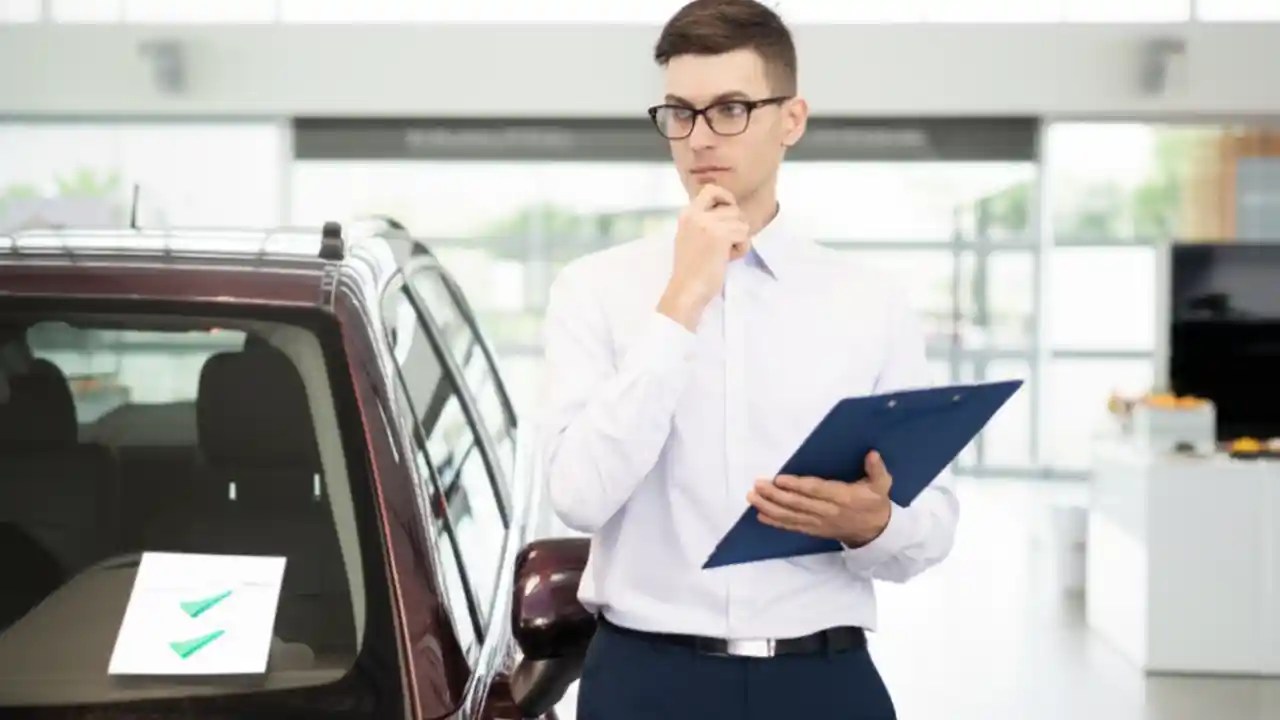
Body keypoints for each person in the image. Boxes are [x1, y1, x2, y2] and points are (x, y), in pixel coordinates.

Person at [535, 1, 959, 717]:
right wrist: (682, 302)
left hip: (823, 679)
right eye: (680, 112)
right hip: (646, 679)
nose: (700, 137)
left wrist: (871, 523)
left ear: (791, 119)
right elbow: (578, 495)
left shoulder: (868, 301)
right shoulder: (596, 289)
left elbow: (935, 523)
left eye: (731, 108)